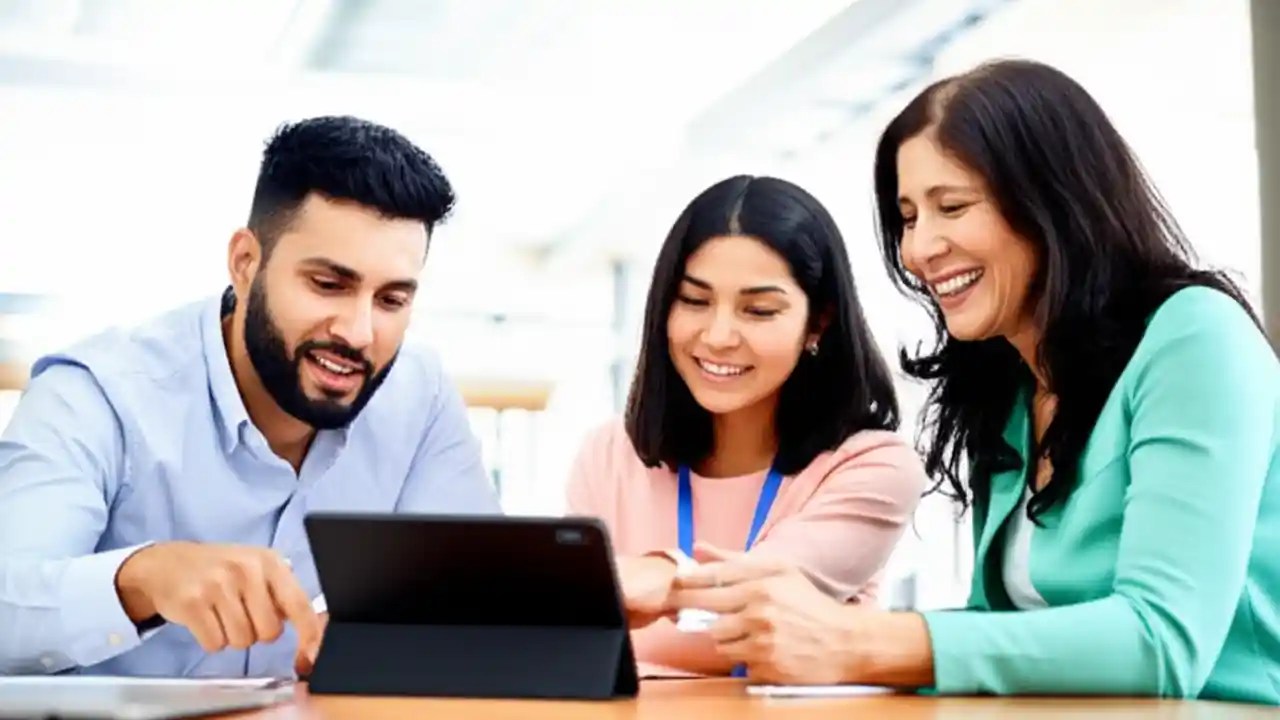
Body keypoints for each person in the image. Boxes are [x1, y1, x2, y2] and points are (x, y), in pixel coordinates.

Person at [665, 59, 1280, 704]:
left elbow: (1162, 641)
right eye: (908, 217)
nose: (917, 249)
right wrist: (829, 639)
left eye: (951, 207)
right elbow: (1005, 634)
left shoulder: (1194, 337)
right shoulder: (1008, 387)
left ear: (1052, 201)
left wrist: (857, 642)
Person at [0, 115, 500, 679]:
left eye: (391, 300)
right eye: (328, 285)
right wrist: (141, 578)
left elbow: (476, 594)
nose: (359, 332)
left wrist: (385, 637)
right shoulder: (98, 393)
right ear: (245, 263)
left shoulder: (419, 394)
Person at [566, 175, 927, 677]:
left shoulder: (874, 467)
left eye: (758, 310)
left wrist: (666, 575)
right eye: (694, 301)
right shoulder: (609, 454)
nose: (718, 336)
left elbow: (768, 590)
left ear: (818, 323)